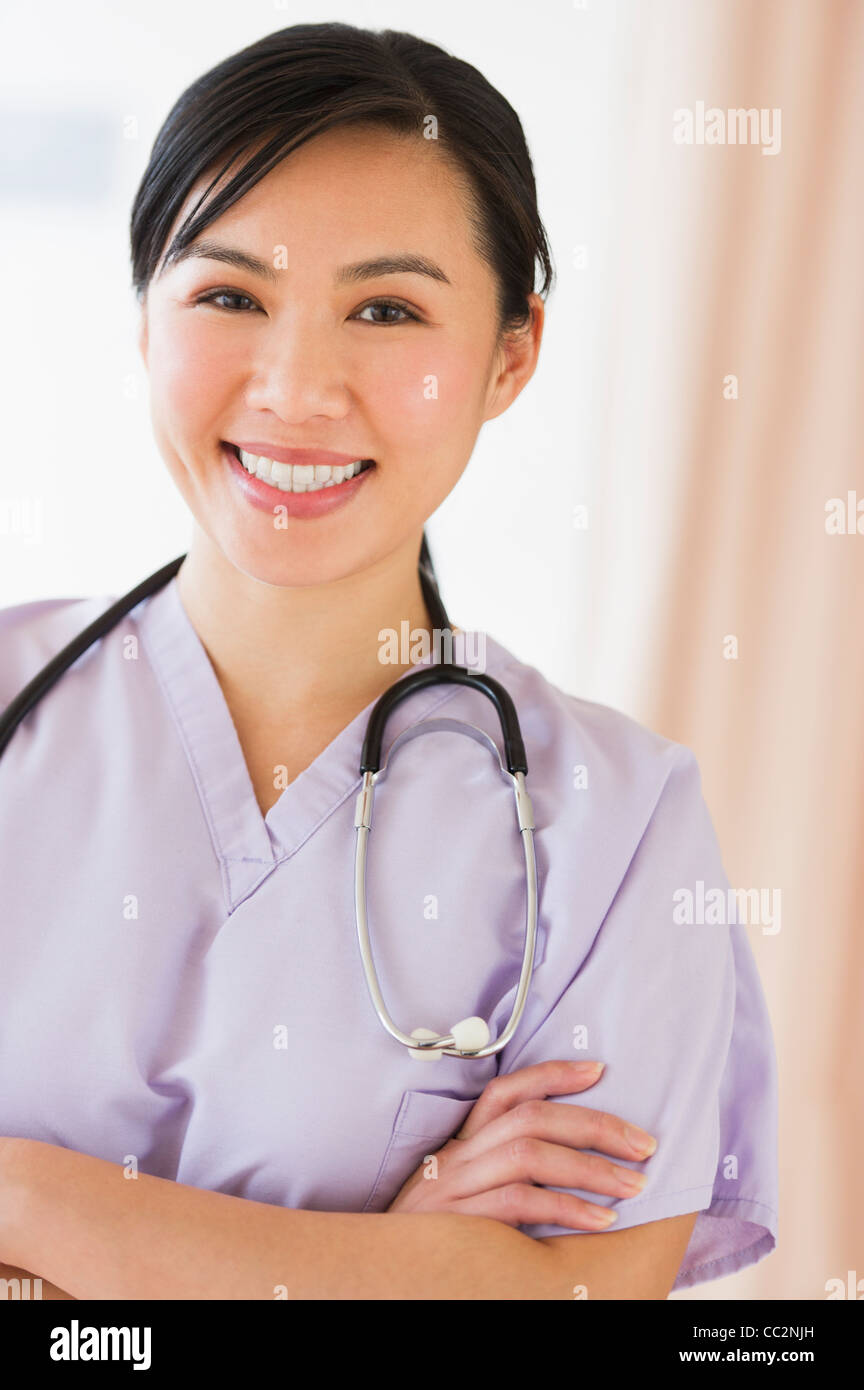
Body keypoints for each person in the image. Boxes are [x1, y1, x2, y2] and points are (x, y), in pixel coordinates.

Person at [0, 21, 777, 1300]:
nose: (297, 388)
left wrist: (27, 1201)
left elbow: (577, 1302)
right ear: (145, 320)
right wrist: (401, 1259)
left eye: (387, 309)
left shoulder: (616, 825)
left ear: (510, 355)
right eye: (230, 295)